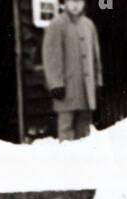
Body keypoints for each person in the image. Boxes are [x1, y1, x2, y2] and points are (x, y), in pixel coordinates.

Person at [42, 0, 104, 141]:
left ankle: (82, 160)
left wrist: (97, 81)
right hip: (66, 89)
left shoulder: (89, 25)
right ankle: (67, 160)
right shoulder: (57, 25)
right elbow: (51, 57)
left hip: (85, 89)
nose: (76, 6)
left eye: (79, 2)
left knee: (84, 131)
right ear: (64, 3)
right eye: (72, 1)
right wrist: (56, 84)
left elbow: (95, 57)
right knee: (66, 129)